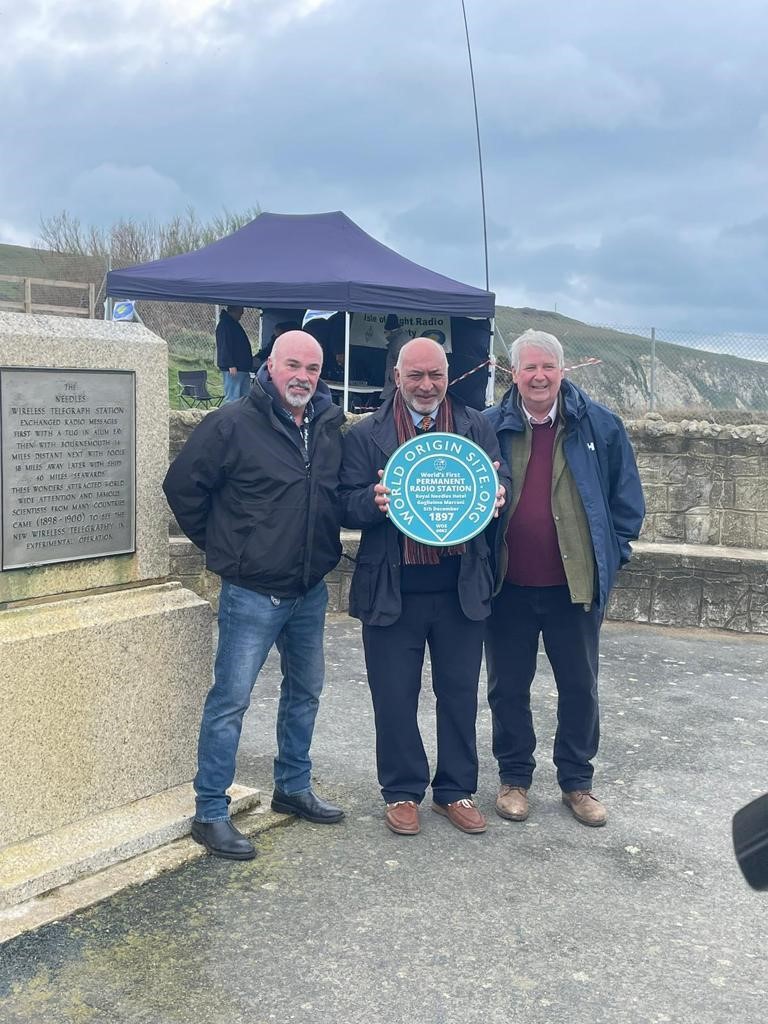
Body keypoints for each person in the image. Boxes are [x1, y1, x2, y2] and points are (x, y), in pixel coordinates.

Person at [163, 330, 346, 860]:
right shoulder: (231, 424)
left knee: (305, 693)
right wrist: (228, 547)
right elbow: (182, 488)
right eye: (294, 365)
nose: (303, 377)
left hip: (309, 591)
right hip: (251, 593)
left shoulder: (328, 427)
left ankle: (292, 787)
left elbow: (335, 499)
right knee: (230, 702)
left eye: (312, 369)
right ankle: (210, 813)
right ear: (269, 365)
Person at [339, 337, 509, 836]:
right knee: (394, 695)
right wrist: (372, 502)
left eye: (435, 375)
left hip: (461, 588)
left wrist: (498, 496)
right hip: (392, 589)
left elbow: (505, 484)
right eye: (415, 375)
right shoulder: (365, 434)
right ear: (397, 377)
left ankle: (455, 791)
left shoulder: (477, 426)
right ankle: (402, 791)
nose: (426, 385)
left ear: (448, 375)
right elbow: (343, 503)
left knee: (459, 694)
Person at [484, 329, 645, 828]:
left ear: (562, 370)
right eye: (528, 367)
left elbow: (626, 501)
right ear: (513, 374)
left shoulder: (601, 425)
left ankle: (577, 783)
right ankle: (514, 778)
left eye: (546, 367)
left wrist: (610, 556)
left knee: (579, 686)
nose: (538, 376)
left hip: (574, 587)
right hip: (507, 585)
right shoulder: (489, 426)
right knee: (508, 687)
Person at [215, 305, 253, 402]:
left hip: (242, 367)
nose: (241, 316)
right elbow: (225, 346)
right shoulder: (225, 325)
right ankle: (229, 417)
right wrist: (230, 364)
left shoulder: (233, 324)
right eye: (240, 313)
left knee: (244, 399)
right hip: (234, 368)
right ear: (235, 311)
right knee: (232, 397)